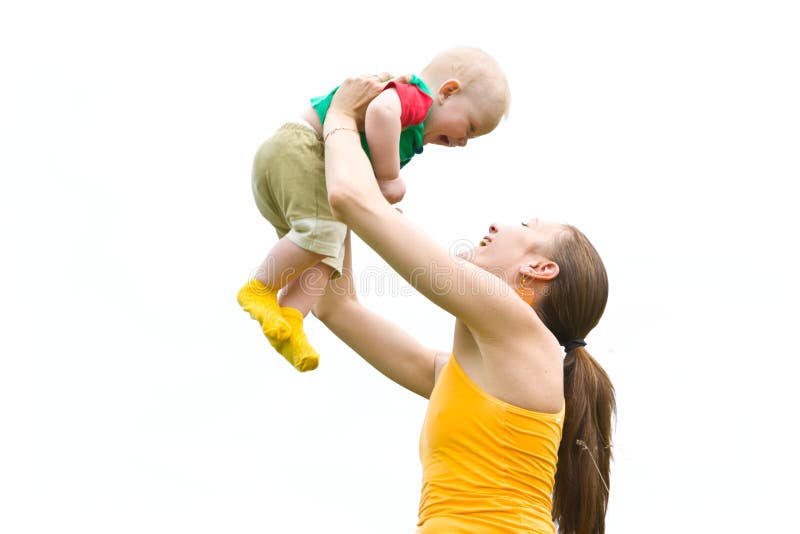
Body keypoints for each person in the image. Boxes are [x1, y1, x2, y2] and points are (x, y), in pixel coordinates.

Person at [312, 75, 615, 533]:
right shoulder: (460, 374)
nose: (497, 226)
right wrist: (313, 197)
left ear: (540, 269)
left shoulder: (521, 330)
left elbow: (352, 199)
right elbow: (337, 308)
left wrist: (338, 118)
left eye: (525, 227)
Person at [237, 48, 511, 372]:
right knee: (324, 233)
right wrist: (389, 176)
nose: (464, 142)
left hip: (304, 167)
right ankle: (260, 289)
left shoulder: (412, 124)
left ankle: (290, 316)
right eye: (470, 127)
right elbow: (381, 112)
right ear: (448, 92)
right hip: (303, 149)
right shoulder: (416, 97)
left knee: (328, 252)